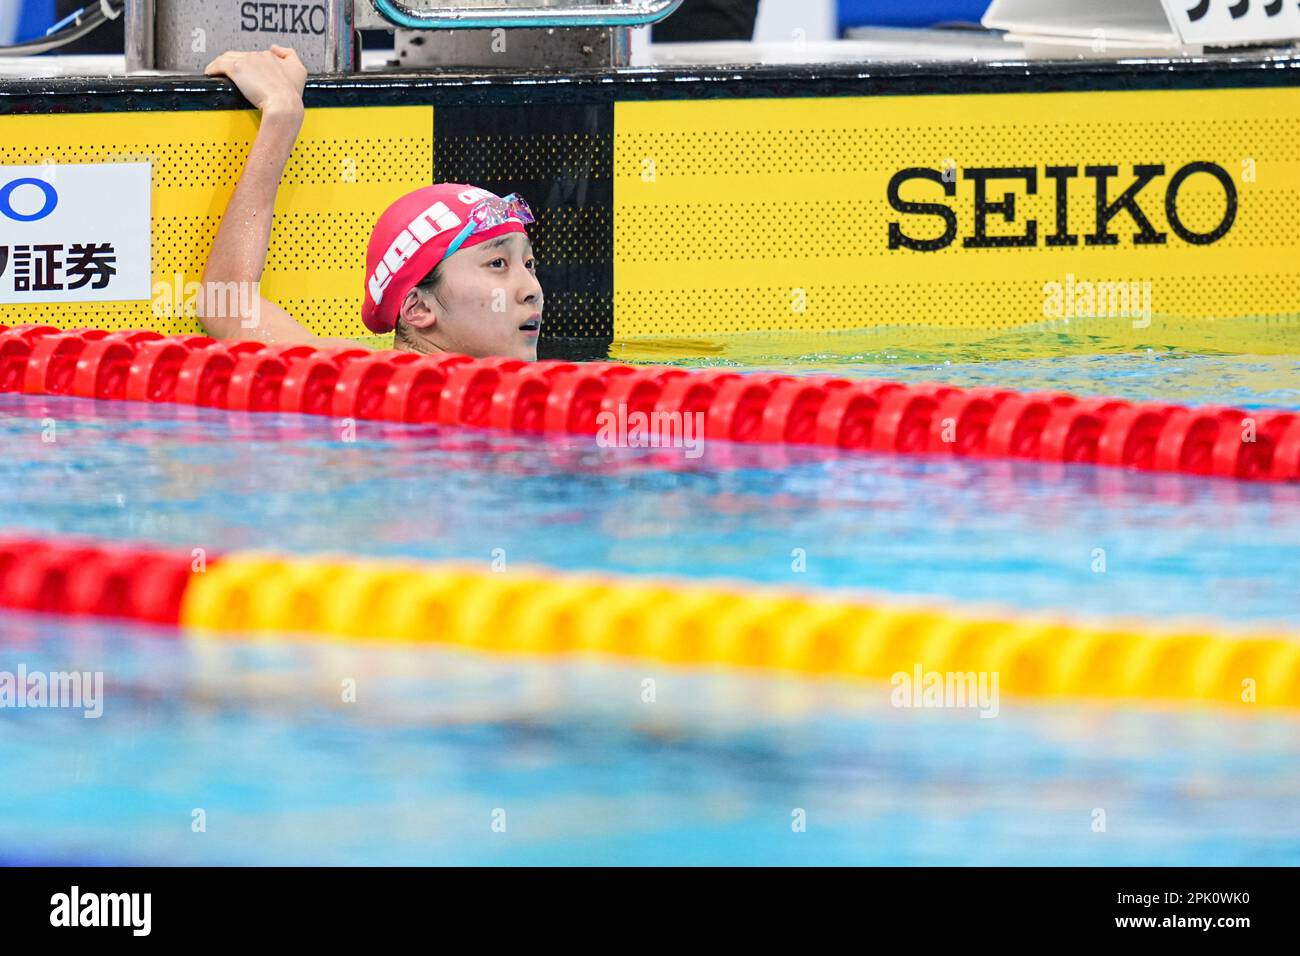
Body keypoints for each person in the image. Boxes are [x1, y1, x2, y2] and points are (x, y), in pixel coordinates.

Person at [198, 46, 545, 362]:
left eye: (529, 264)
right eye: (498, 263)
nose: (532, 291)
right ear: (418, 307)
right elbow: (225, 304)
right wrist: (282, 115)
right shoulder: (363, 375)